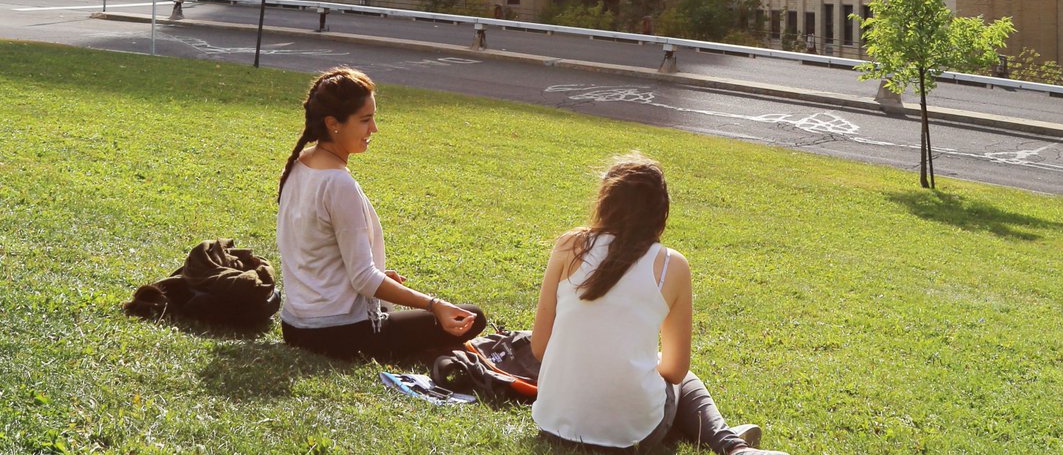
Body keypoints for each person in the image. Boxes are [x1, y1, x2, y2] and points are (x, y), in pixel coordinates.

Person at [531, 154, 788, 455]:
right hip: (631, 436)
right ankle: (732, 446)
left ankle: (716, 435)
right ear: (661, 211)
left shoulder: (568, 246)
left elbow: (539, 347)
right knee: (682, 383)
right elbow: (675, 371)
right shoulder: (671, 265)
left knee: (655, 393)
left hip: (554, 424)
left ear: (604, 201)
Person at [276, 66, 486, 362]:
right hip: (337, 334)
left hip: (295, 325)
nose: (373, 129)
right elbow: (363, 279)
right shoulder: (338, 183)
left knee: (404, 308)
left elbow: (314, 252)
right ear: (333, 123)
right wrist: (434, 305)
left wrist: (377, 279)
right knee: (473, 317)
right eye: (365, 120)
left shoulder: (301, 163)